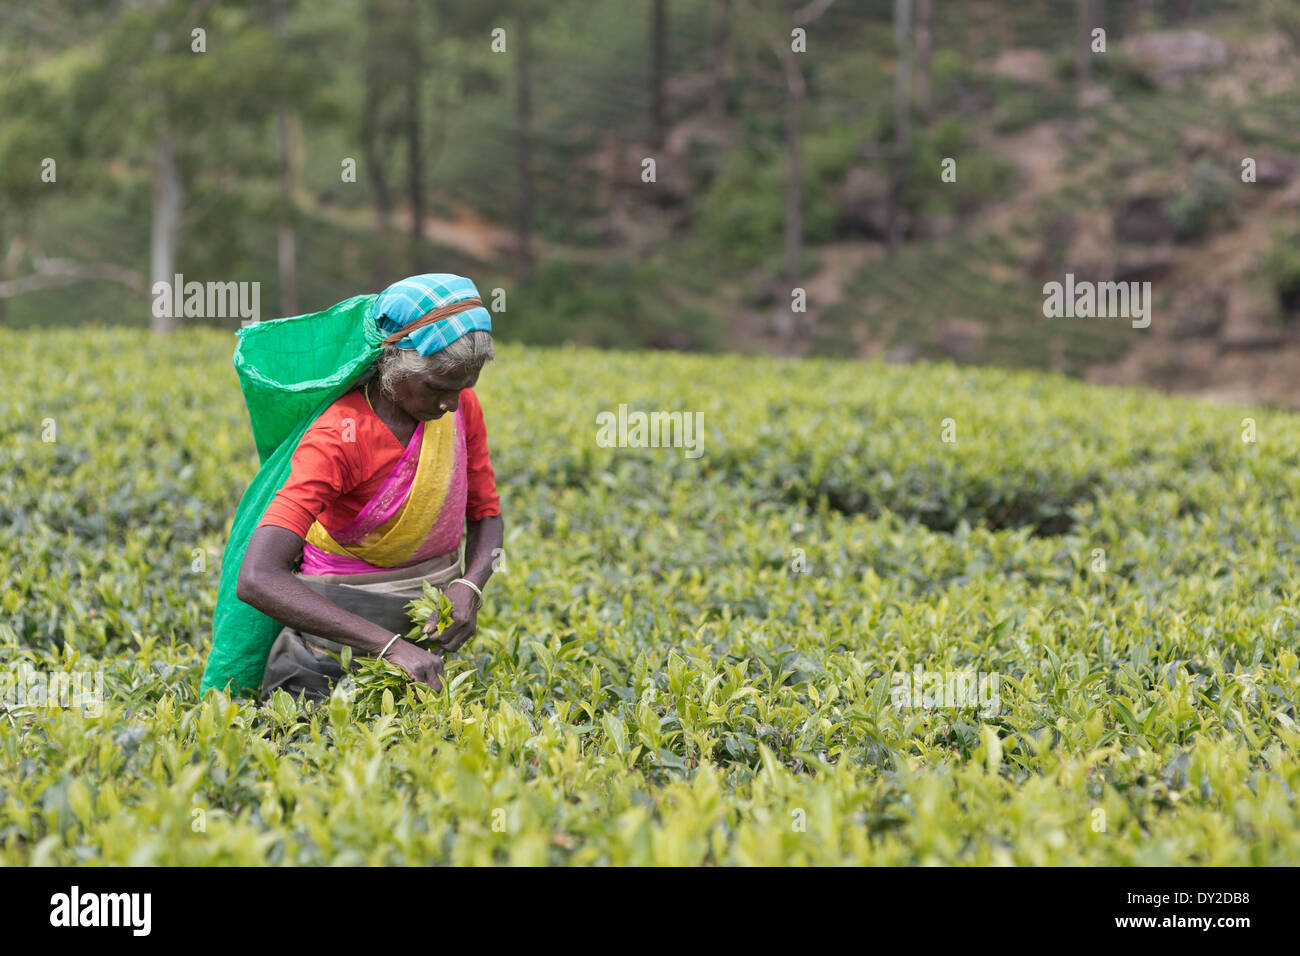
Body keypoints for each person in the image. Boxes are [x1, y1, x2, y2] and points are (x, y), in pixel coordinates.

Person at [233, 274, 504, 700]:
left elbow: (485, 512)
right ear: (395, 361)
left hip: (429, 651)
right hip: (329, 656)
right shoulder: (338, 437)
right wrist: (391, 647)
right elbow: (256, 577)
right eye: (436, 387)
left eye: (462, 389)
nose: (450, 404)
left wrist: (469, 585)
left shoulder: (459, 408)